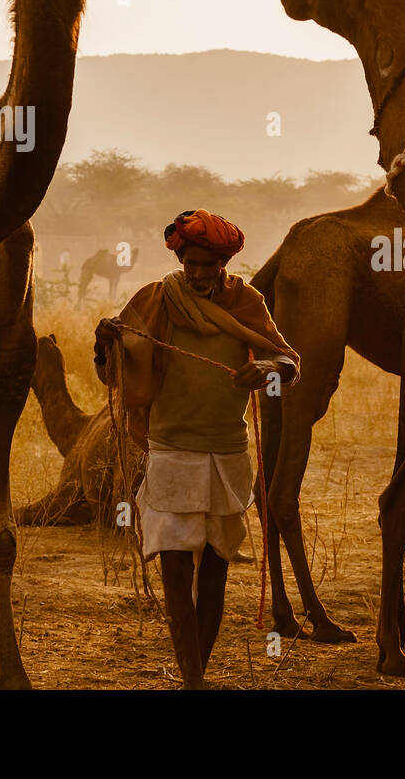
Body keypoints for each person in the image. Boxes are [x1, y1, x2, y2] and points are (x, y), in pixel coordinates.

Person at [94, 209, 299, 689]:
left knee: (214, 575)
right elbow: (113, 370)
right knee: (174, 568)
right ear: (181, 258)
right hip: (170, 452)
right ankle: (192, 678)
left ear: (225, 262)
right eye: (192, 264)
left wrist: (266, 370)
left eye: (210, 265)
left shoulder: (246, 300)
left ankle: (194, 678)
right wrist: (106, 343)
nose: (200, 274)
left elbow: (288, 360)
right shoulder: (154, 299)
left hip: (227, 454)